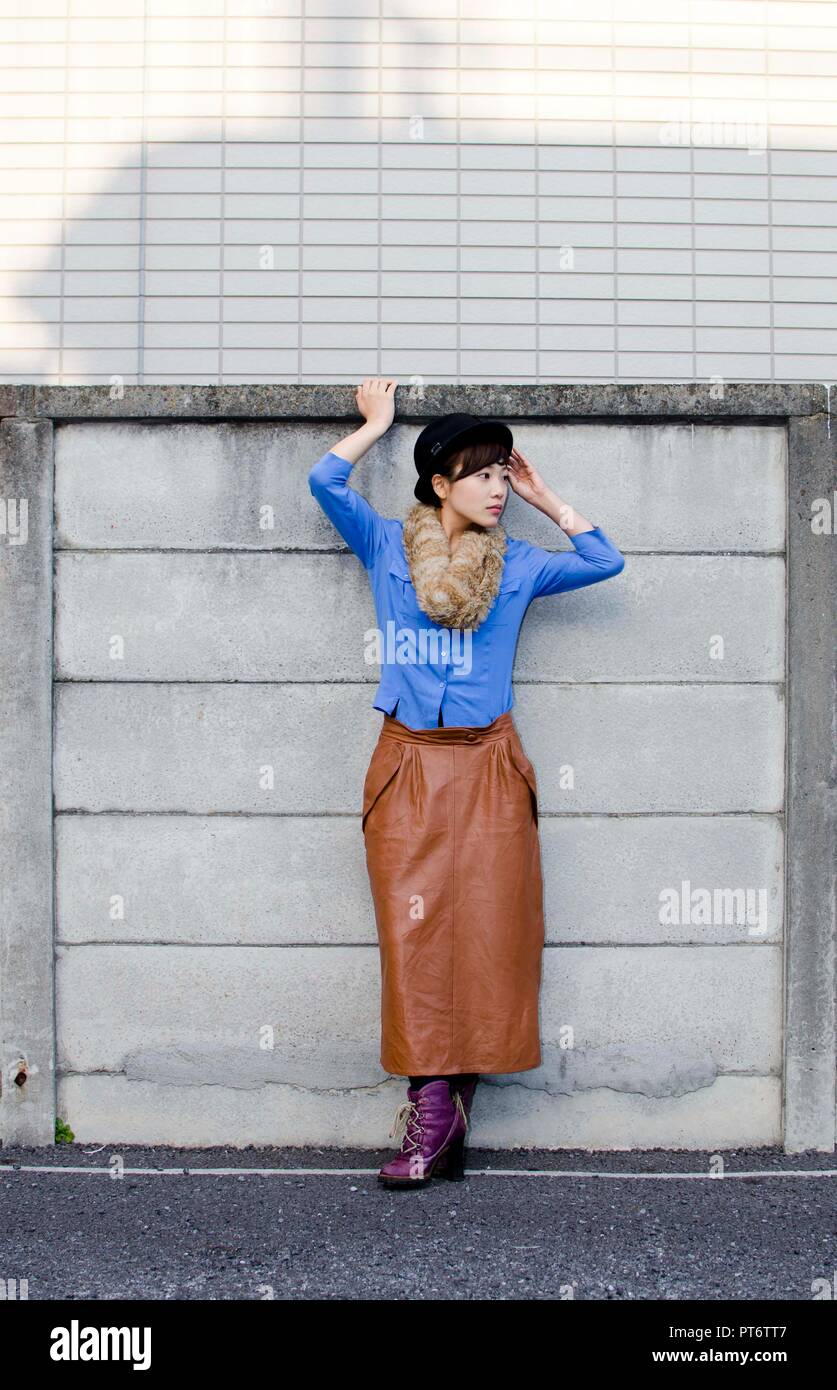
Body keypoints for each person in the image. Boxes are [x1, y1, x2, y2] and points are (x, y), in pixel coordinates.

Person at [308, 378, 625, 1188]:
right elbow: (322, 482)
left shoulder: (516, 566)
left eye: (500, 474)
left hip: (488, 761)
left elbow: (604, 559)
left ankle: (445, 1122)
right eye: (478, 474)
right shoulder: (385, 546)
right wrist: (377, 424)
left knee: (490, 934)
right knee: (414, 941)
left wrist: (544, 494)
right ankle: (433, 1114)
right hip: (407, 760)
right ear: (439, 485)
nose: (494, 489)